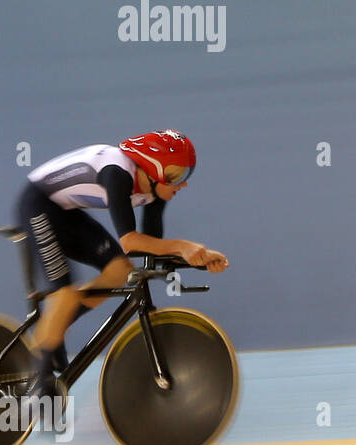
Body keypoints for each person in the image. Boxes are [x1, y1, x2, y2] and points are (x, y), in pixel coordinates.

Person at [17, 130, 228, 396]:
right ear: (154, 169)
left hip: (64, 213)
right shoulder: (117, 173)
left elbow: (151, 246)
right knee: (66, 294)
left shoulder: (154, 192)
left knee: (119, 271)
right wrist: (184, 247)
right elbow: (130, 242)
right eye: (178, 175)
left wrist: (200, 260)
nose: (183, 184)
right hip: (37, 205)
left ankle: (55, 327)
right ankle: (40, 380)